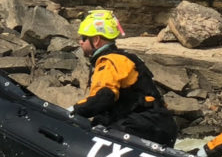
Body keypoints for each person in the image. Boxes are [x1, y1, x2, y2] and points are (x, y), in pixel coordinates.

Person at [72, 9, 178, 147]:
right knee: (101, 120)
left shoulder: (108, 61)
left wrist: (73, 110)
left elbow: (104, 97)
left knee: (100, 127)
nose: (80, 42)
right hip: (163, 125)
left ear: (96, 40)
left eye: (84, 38)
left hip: (140, 125)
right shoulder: (128, 57)